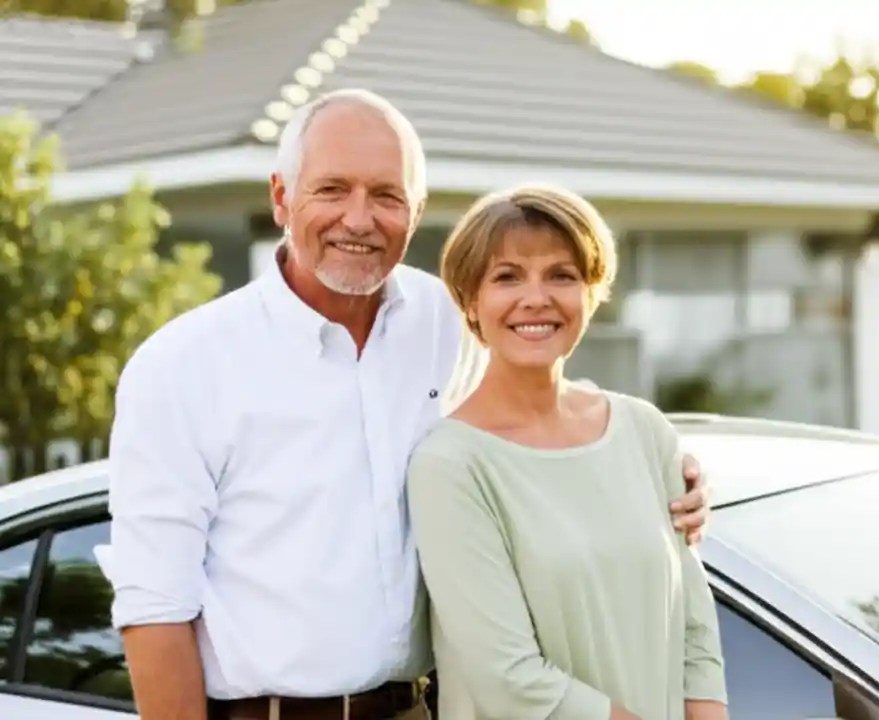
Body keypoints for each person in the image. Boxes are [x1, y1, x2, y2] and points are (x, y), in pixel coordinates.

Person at [104, 88, 710, 720]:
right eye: (332, 189)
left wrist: (672, 475)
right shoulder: (183, 366)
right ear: (282, 196)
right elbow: (155, 608)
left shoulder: (450, 322)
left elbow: (540, 422)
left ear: (416, 212)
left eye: (387, 196)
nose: (359, 219)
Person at [406, 184, 730, 720]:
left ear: (592, 292)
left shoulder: (645, 431)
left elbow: (696, 632)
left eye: (562, 275)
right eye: (507, 277)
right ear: (470, 301)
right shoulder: (450, 465)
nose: (537, 298)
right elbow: (508, 676)